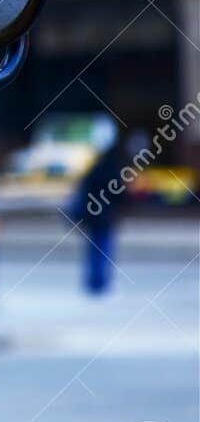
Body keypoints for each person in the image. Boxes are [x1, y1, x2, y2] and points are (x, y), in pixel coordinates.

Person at [68, 126, 132, 296]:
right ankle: (99, 283)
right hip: (103, 215)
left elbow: (86, 188)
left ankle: (95, 282)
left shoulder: (97, 166)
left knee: (96, 249)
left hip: (95, 214)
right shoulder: (110, 166)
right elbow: (118, 191)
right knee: (103, 248)